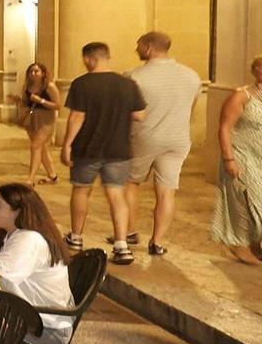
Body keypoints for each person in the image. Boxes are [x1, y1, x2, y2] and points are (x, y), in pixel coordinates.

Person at [0, 183, 73, 344]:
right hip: (19, 315)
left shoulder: (30, 240)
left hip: (45, 325)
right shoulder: (1, 231)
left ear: (18, 211)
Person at [61, 41, 147, 266]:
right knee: (116, 195)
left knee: (81, 191)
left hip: (88, 148)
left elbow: (77, 117)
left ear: (89, 58)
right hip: (119, 149)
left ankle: (76, 238)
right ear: (107, 57)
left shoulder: (82, 84)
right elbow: (139, 115)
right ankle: (121, 246)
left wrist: (67, 144)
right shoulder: (128, 84)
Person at [124, 31, 203, 261]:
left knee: (130, 182)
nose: (136, 48)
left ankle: (129, 231)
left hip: (143, 137)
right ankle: (157, 242)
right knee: (167, 192)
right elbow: (191, 107)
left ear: (149, 47)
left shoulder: (134, 76)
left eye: (139, 44)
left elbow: (130, 112)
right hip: (177, 138)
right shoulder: (191, 76)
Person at [212, 53, 262, 265]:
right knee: (245, 200)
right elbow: (224, 128)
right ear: (255, 71)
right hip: (241, 154)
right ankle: (240, 245)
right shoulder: (241, 96)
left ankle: (255, 244)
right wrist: (229, 158)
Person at [17, 63, 62, 186]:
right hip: (32, 119)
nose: (33, 74)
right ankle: (52, 175)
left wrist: (40, 100)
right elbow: (25, 102)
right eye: (31, 71)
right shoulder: (27, 86)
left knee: (35, 146)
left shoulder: (49, 87)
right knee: (41, 149)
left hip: (46, 119)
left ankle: (30, 179)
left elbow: (57, 105)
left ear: (43, 73)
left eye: (36, 71)